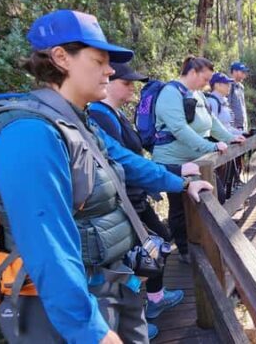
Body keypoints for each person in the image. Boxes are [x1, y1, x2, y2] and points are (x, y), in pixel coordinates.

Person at [0, 10, 212, 344]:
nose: (109, 70)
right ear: (61, 57)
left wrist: (182, 183)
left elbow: (126, 162)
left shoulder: (78, 122)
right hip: (61, 309)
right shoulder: (29, 134)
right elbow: (47, 246)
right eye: (99, 60)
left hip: (112, 283)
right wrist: (89, 331)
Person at [87, 62, 189, 336]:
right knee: (140, 254)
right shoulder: (100, 116)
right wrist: (177, 177)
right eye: (126, 82)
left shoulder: (114, 114)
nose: (133, 87)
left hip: (133, 199)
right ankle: (129, 321)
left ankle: (148, 304)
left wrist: (173, 172)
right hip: (121, 203)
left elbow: (134, 157)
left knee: (155, 244)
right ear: (109, 83)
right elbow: (124, 162)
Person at [151, 56, 246, 263]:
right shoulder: (170, 93)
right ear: (193, 72)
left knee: (215, 194)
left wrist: (230, 139)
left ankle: (203, 240)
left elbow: (211, 123)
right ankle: (185, 249)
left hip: (196, 160)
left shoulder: (199, 95)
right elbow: (179, 129)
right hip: (173, 160)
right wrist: (210, 146)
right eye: (205, 78)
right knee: (179, 206)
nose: (207, 83)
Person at [205, 72, 241, 136]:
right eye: (226, 83)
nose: (229, 86)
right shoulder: (212, 102)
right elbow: (212, 129)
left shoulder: (224, 101)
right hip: (219, 143)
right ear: (217, 85)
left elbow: (228, 127)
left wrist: (243, 133)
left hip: (226, 140)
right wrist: (233, 138)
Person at [228, 62, 250, 132]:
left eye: (245, 72)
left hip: (243, 126)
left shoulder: (241, 87)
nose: (245, 74)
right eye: (242, 72)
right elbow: (227, 106)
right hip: (233, 127)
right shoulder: (228, 85)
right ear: (234, 72)